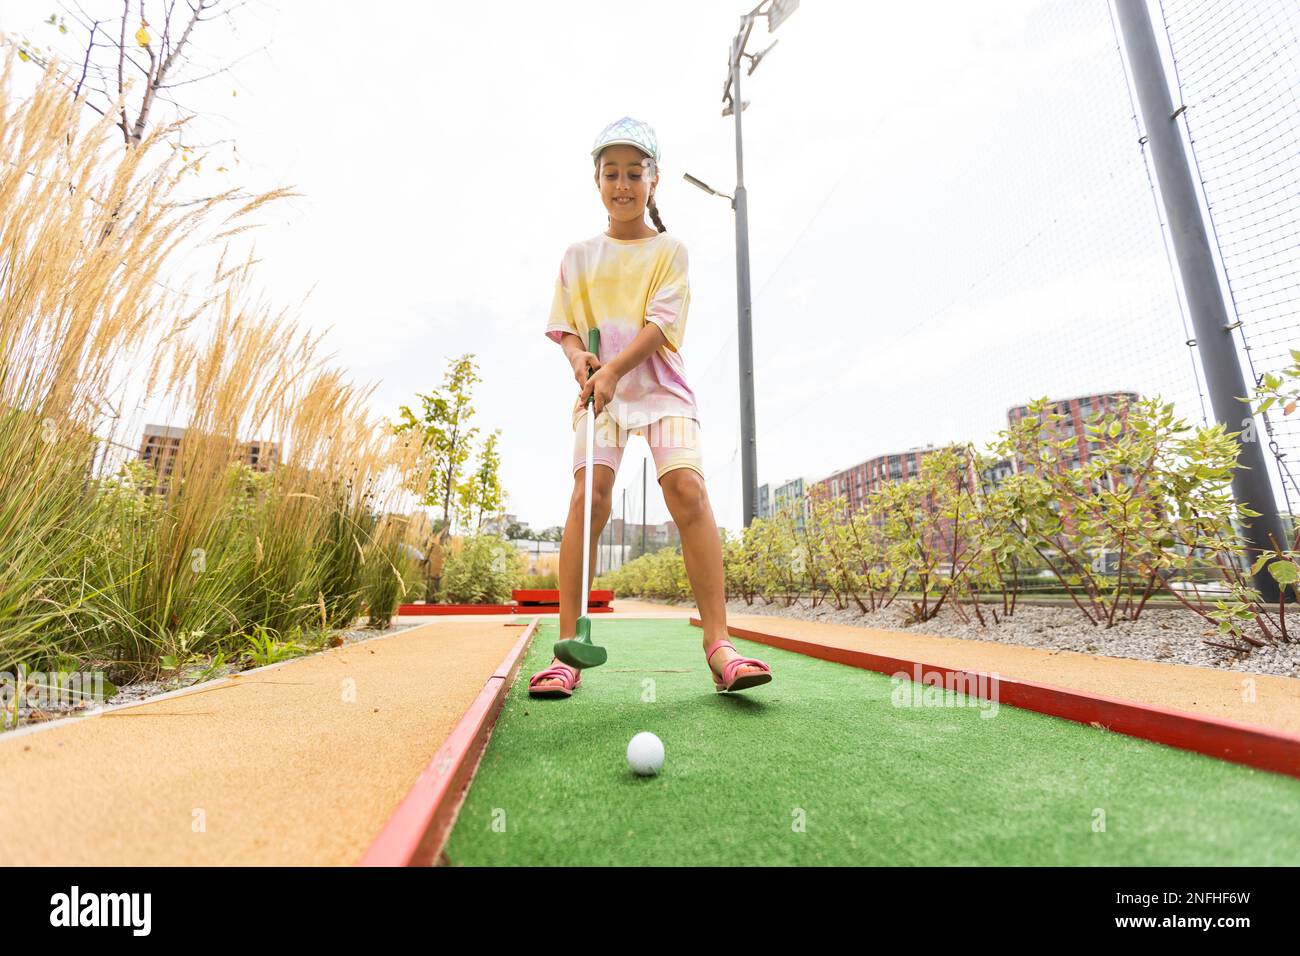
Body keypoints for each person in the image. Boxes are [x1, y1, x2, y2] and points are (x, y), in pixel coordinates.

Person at [529, 116, 772, 698]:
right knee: (589, 496)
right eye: (611, 173)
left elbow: (662, 326)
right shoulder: (578, 255)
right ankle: (567, 652)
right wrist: (579, 362)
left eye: (634, 173)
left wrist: (613, 367)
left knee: (686, 490)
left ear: (653, 180)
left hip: (657, 383)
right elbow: (564, 328)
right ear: (596, 180)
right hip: (601, 393)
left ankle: (719, 645)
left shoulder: (670, 251)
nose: (622, 184)